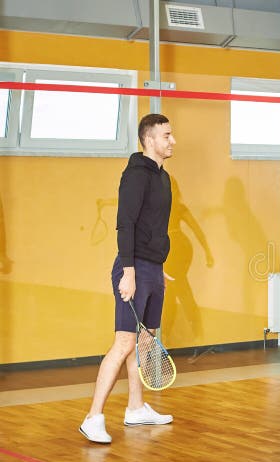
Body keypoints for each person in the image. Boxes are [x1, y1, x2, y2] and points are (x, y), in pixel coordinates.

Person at [80, 114, 176, 443]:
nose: (172, 140)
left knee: (145, 342)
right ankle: (93, 417)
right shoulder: (136, 175)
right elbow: (126, 223)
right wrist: (130, 272)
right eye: (166, 135)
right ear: (149, 140)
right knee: (124, 343)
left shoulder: (163, 177)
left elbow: (155, 226)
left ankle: (135, 408)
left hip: (152, 268)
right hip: (132, 269)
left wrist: (158, 264)